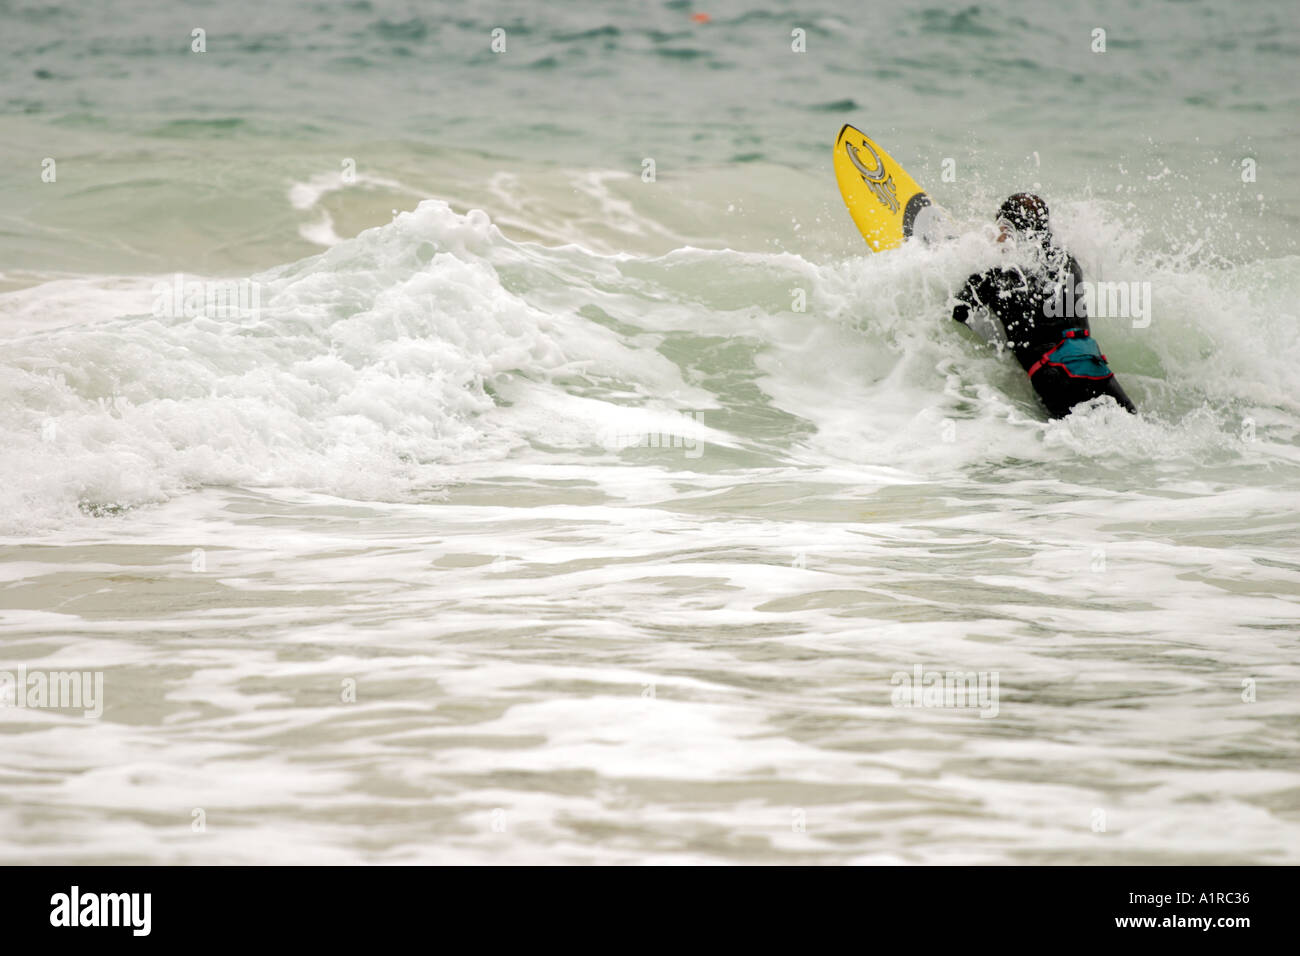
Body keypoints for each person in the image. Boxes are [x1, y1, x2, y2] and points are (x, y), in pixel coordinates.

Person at [951, 193, 1136, 418]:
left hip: (1054, 378)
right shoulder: (1068, 264)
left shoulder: (996, 277)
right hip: (1098, 372)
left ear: (1008, 231)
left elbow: (957, 311)